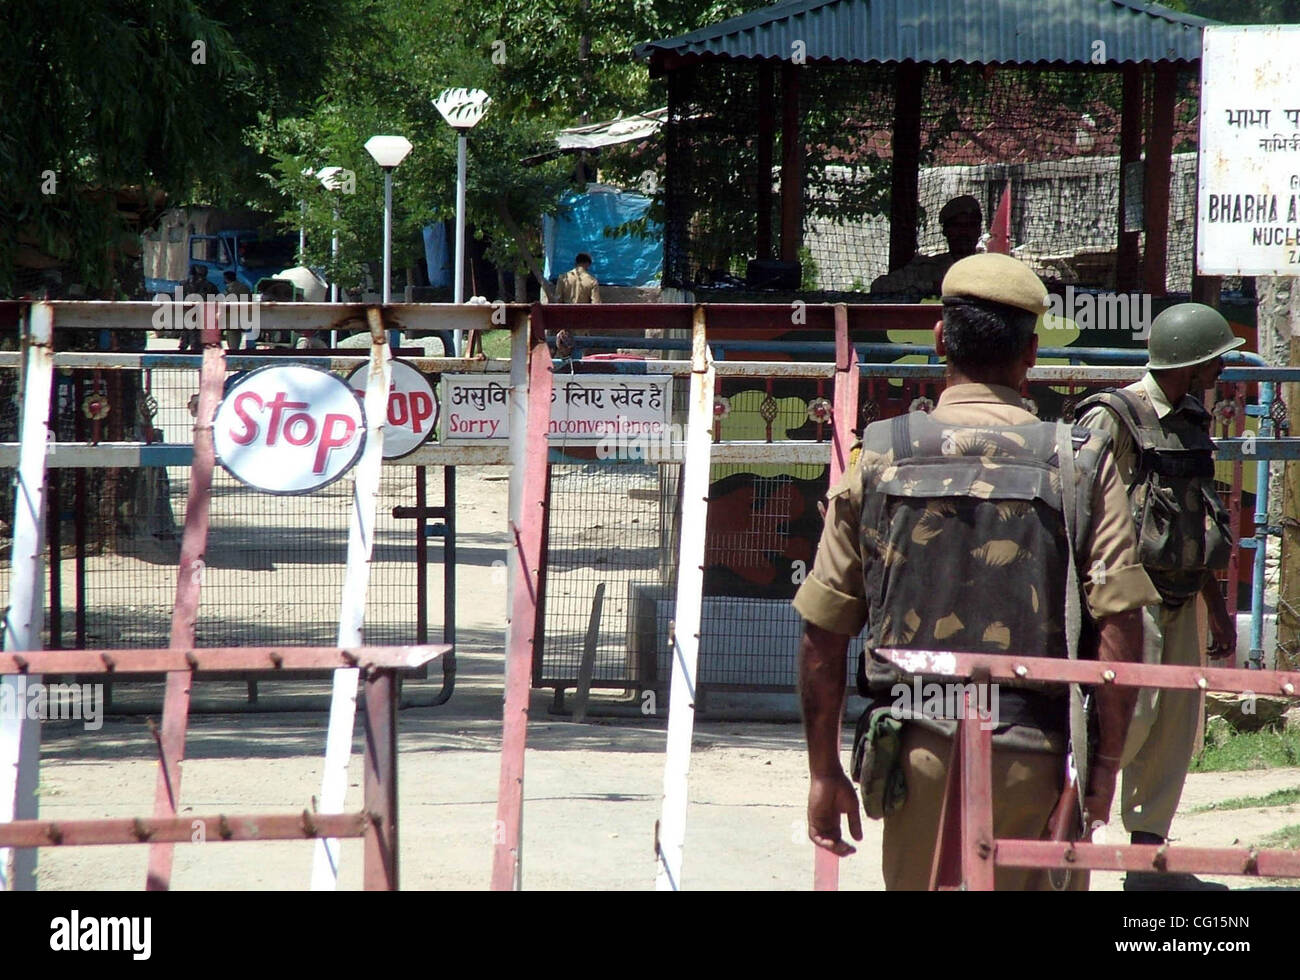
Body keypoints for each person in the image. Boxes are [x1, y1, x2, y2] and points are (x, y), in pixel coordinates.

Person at [794, 253, 1159, 890]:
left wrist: (824, 772)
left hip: (916, 747)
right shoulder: (1078, 462)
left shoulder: (878, 454)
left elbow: (822, 632)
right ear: (1033, 354)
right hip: (1036, 756)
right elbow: (1120, 626)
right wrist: (1101, 771)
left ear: (941, 340)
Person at [1076, 303, 1242, 892]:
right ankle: (1067, 839)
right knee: (1127, 719)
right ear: (1190, 359)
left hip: (1183, 592)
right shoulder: (1114, 415)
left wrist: (1216, 605)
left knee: (1174, 724)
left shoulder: (1193, 419)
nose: (1221, 368)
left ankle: (1148, 860)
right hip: (1131, 597)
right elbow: (1083, 507)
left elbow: (1197, 515)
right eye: (1214, 358)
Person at [870, 195, 983, 299]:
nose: (964, 232)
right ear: (945, 231)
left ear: (979, 230)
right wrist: (931, 285)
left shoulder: (987, 266)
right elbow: (880, 286)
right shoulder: (926, 268)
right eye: (957, 226)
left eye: (970, 226)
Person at [179, 265, 215, 352]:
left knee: (187, 330)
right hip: (201, 313)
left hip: (187, 312)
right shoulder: (208, 285)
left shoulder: (183, 284)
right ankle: (194, 347)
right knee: (196, 333)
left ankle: (184, 345)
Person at [222, 271, 252, 350]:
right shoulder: (244, 287)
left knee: (233, 342)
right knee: (234, 340)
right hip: (241, 316)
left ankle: (233, 355)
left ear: (226, 279)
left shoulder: (231, 289)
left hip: (232, 317)